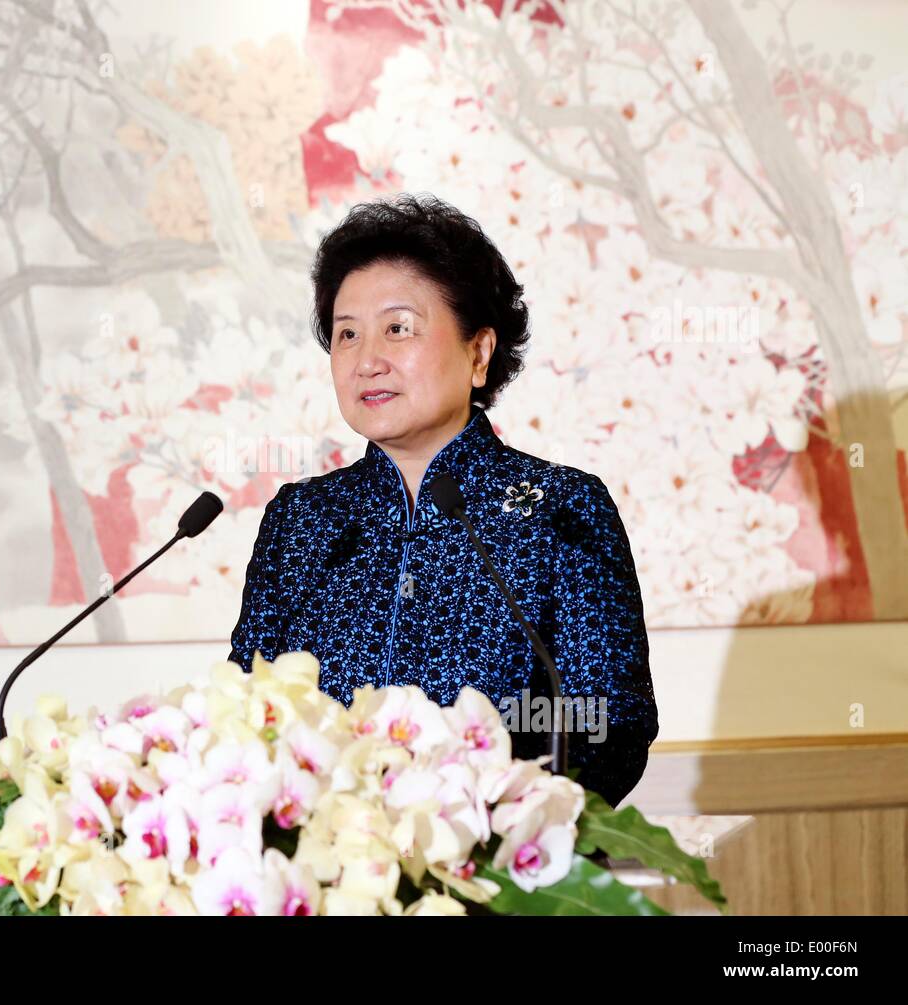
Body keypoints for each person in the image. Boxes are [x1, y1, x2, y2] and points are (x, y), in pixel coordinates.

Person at [227, 193, 658, 808]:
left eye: (398, 328)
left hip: (497, 879)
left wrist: (492, 821)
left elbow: (610, 725)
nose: (367, 359)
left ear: (478, 352)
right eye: (346, 335)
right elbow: (247, 712)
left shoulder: (557, 507)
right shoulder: (302, 520)